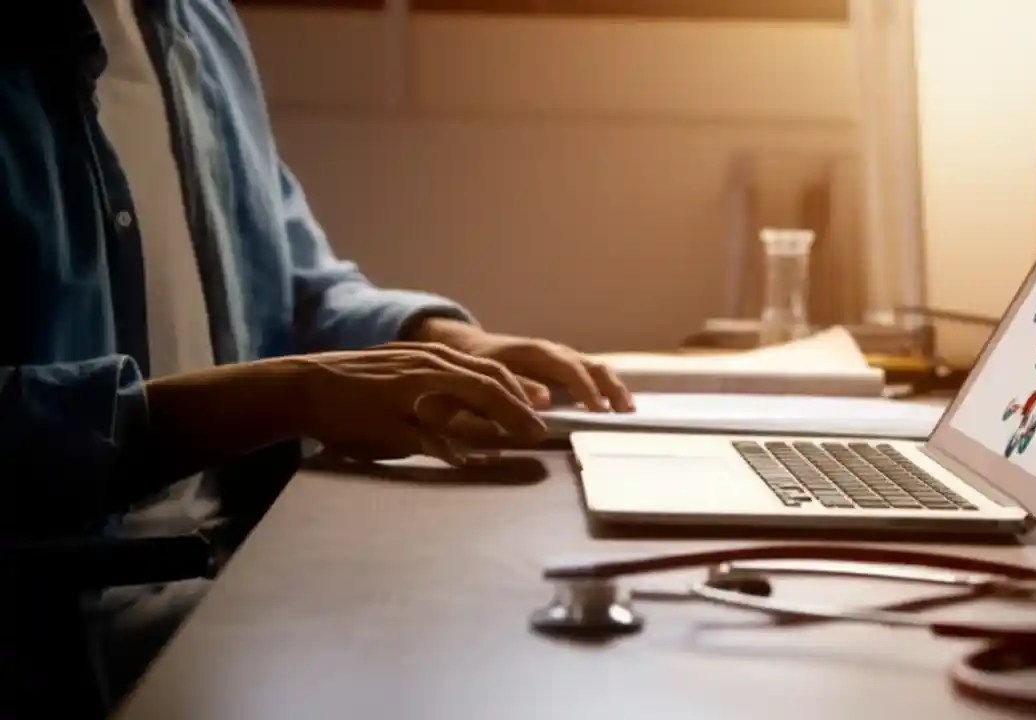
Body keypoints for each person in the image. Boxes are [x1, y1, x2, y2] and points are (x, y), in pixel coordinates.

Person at [1, 0, 632, 714]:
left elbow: (286, 277)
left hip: (234, 580)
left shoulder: (195, 20)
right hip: (56, 642)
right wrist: (287, 395)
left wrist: (433, 336)